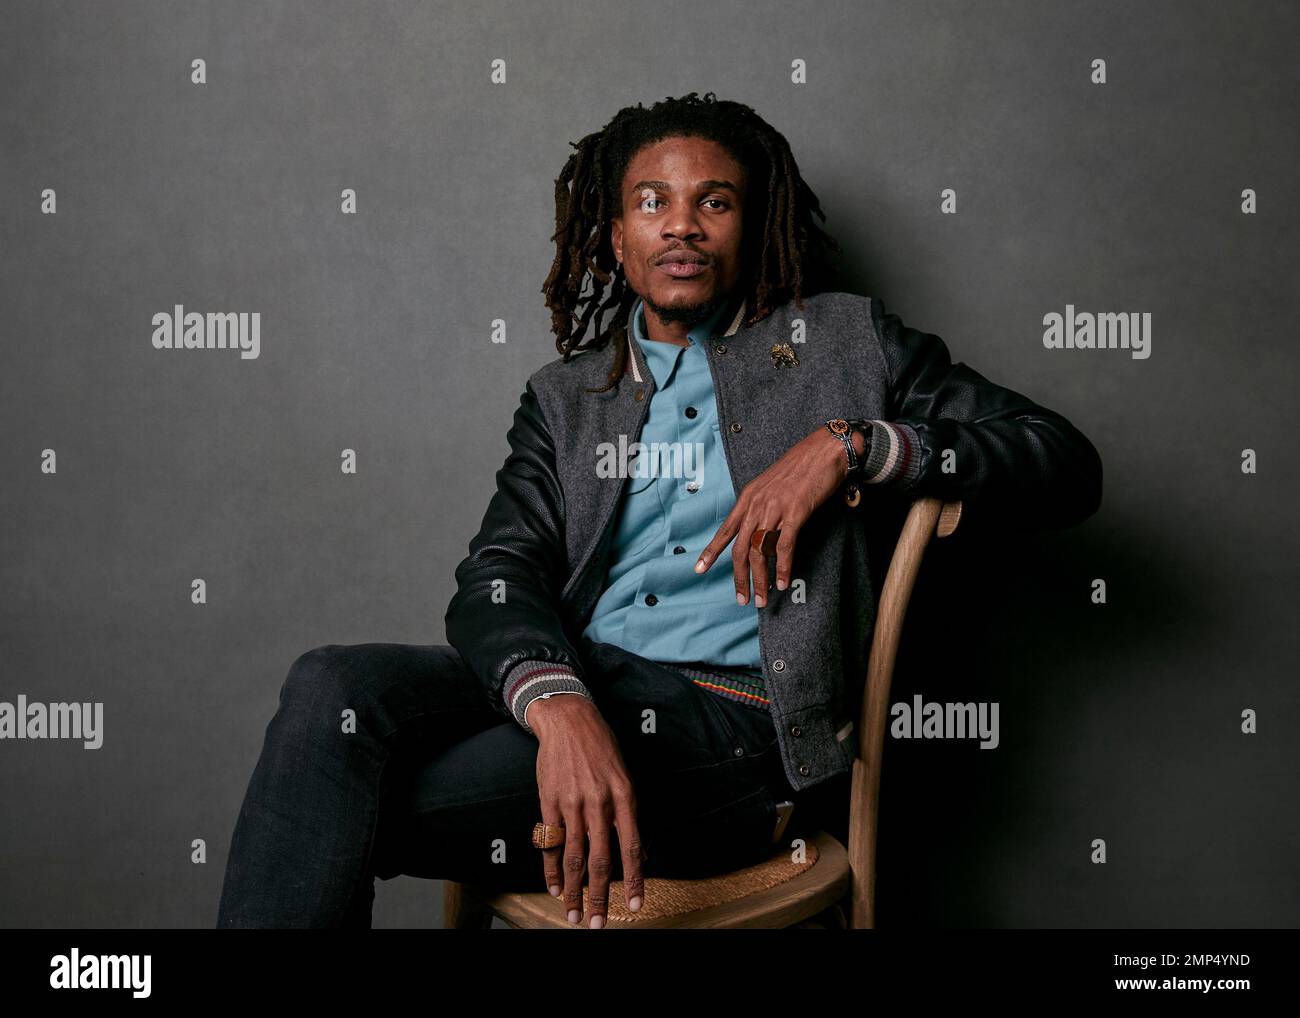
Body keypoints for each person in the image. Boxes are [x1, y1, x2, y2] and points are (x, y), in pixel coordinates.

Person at [216, 92, 1102, 930]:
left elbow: (1061, 461)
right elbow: (497, 574)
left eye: (714, 202)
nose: (681, 223)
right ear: (615, 237)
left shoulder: (846, 344)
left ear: (751, 227)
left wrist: (852, 445)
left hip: (736, 734)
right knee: (331, 686)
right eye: (652, 202)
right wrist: (560, 705)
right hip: (583, 681)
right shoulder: (567, 398)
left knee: (333, 792)